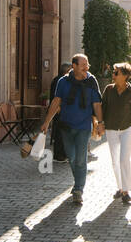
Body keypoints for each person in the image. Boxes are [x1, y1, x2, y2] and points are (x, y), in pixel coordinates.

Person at [39, 55, 103, 206]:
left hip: (84, 127)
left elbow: (97, 104)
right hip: (66, 126)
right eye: (83, 65)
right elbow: (56, 102)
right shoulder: (63, 82)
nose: (86, 68)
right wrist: (46, 122)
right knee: (72, 158)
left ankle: (78, 189)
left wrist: (100, 123)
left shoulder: (91, 81)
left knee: (81, 159)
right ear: (73, 66)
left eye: (87, 65)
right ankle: (78, 183)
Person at [102, 63, 131, 205]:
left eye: (116, 73)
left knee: (124, 159)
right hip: (111, 128)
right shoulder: (109, 89)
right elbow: (103, 106)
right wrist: (99, 123)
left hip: (128, 128)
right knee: (115, 160)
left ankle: (126, 191)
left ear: (125, 76)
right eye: (114, 72)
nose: (113, 75)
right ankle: (120, 187)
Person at [47, 62, 72, 162]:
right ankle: (59, 155)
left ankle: (62, 154)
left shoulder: (58, 79)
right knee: (60, 134)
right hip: (59, 110)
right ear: (67, 71)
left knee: (61, 133)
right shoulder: (60, 80)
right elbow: (56, 97)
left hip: (61, 110)